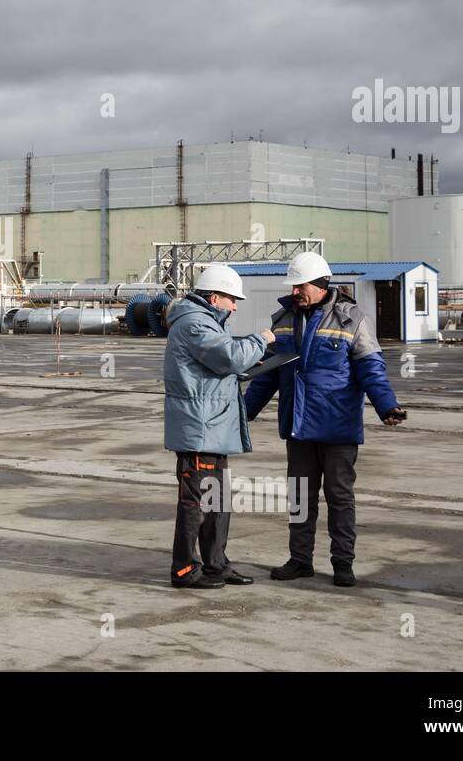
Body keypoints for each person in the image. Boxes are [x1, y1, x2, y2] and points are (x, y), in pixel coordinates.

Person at [244, 252, 407, 588]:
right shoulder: (283, 320)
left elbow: (371, 370)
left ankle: (342, 563)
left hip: (338, 427)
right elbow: (265, 376)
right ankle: (300, 560)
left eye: (300, 285)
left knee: (339, 497)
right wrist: (242, 413)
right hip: (298, 426)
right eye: (292, 286)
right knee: (301, 496)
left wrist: (387, 406)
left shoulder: (352, 320)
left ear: (320, 285)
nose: (294, 292)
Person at [164, 264, 277, 589]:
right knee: (196, 504)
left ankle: (215, 564)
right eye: (232, 299)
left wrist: (247, 358)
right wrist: (261, 339)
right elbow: (228, 357)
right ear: (214, 298)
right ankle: (185, 569)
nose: (235, 306)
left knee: (217, 502)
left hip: (212, 430)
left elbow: (221, 362)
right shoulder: (195, 325)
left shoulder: (203, 323)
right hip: (200, 432)